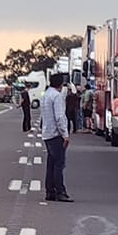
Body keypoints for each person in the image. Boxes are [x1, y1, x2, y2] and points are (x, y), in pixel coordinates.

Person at [39, 71, 72, 201]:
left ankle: (50, 191)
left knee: (51, 164)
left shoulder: (46, 95)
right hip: (55, 134)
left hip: (47, 133)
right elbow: (59, 117)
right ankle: (60, 191)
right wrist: (65, 134)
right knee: (59, 164)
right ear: (60, 84)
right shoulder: (57, 96)